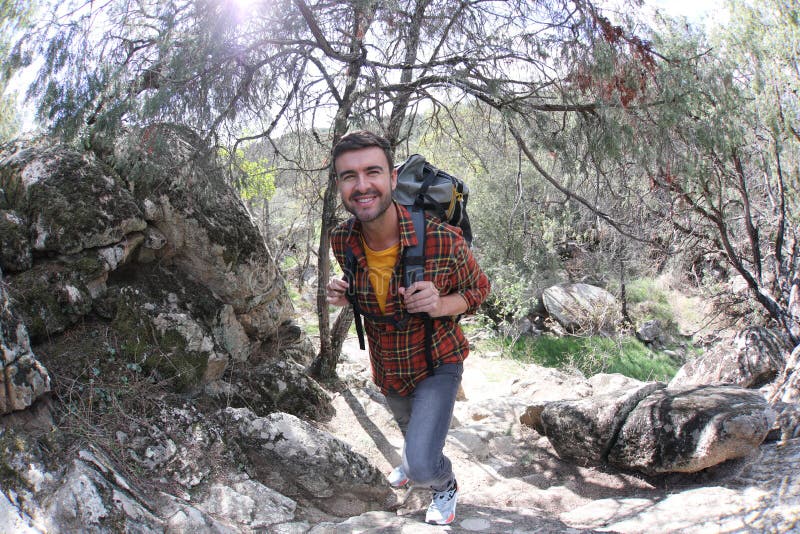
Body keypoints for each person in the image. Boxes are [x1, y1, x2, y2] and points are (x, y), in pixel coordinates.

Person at [325, 130, 490, 525]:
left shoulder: (443, 241)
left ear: (392, 178)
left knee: (420, 465)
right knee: (407, 427)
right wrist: (348, 295)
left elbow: (480, 290)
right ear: (339, 184)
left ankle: (443, 483)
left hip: (437, 361)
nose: (362, 185)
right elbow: (371, 293)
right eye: (349, 176)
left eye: (372, 172)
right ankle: (417, 455)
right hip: (388, 364)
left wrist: (441, 303)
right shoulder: (342, 240)